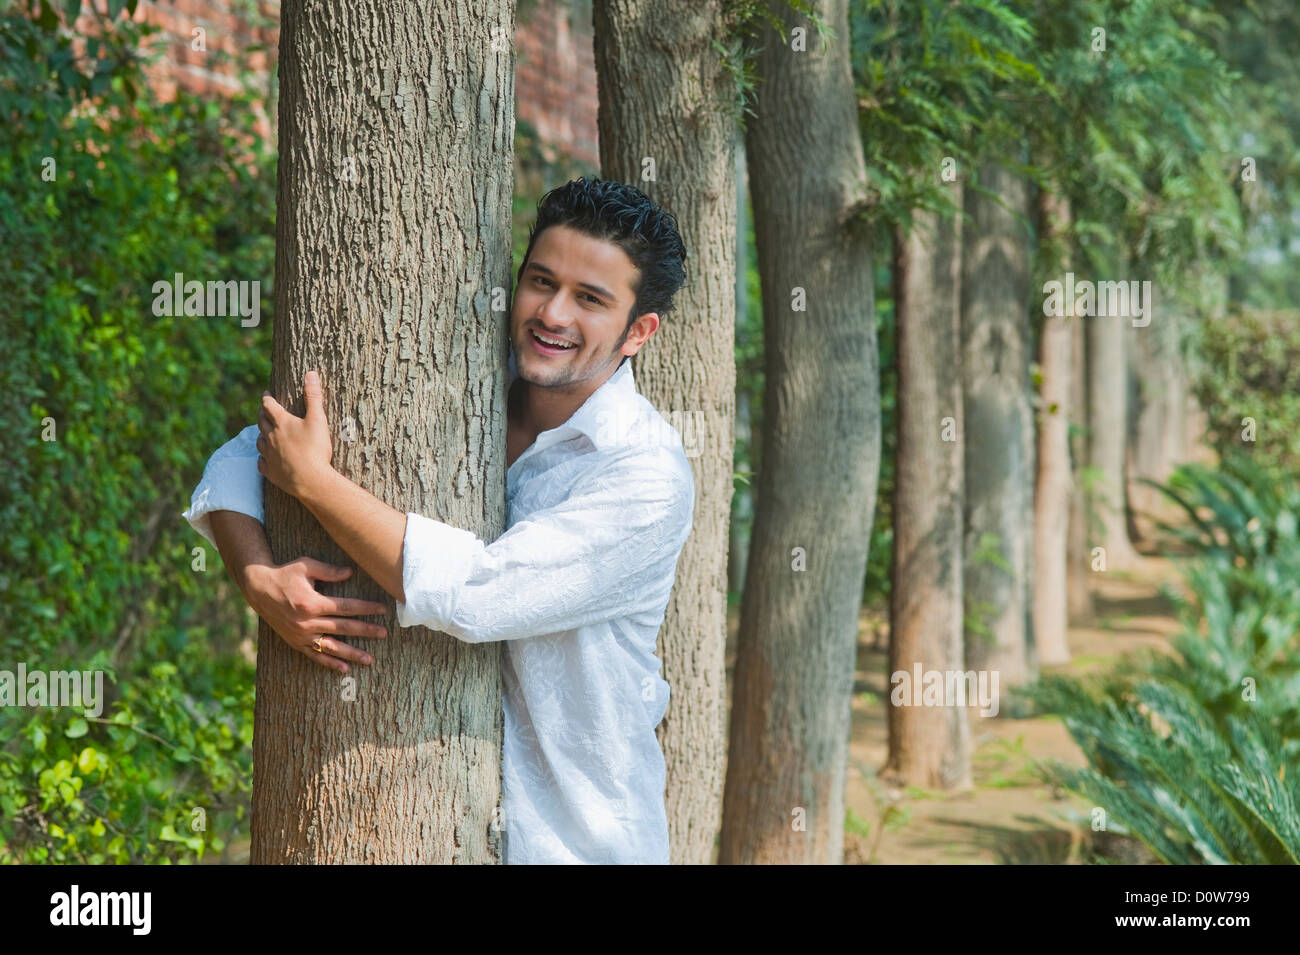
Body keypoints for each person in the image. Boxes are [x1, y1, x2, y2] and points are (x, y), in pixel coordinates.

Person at [182, 177, 695, 864]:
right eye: (542, 280)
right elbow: (257, 448)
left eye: (591, 299)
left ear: (639, 331)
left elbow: (479, 593)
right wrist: (256, 574)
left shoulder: (644, 474)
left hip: (577, 839)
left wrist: (316, 484)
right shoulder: (465, 372)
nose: (553, 313)